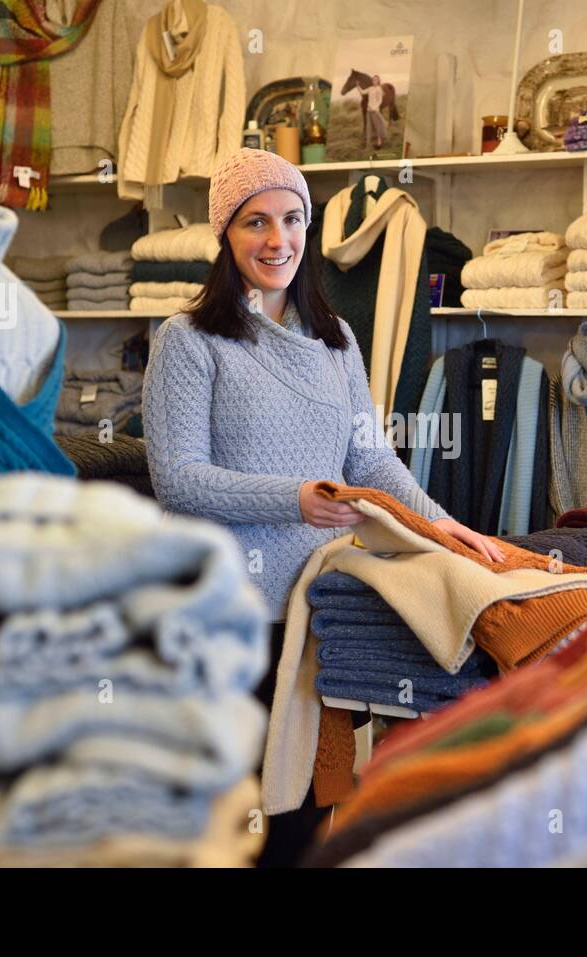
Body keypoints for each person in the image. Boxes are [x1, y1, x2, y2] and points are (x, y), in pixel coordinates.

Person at [142, 148, 501, 866]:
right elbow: (178, 479)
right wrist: (295, 499)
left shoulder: (337, 341)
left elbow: (369, 459)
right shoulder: (187, 341)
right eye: (256, 222)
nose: (278, 239)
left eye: (292, 219)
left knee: (309, 801)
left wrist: (442, 523)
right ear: (225, 233)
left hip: (318, 610)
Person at [366, 75, 389, 150]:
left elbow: (380, 100)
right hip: (369, 110)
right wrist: (357, 86)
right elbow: (363, 92)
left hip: (375, 110)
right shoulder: (370, 88)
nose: (374, 81)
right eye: (373, 80)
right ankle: (368, 143)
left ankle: (379, 143)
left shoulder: (379, 89)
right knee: (369, 126)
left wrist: (374, 107)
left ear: (378, 81)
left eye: (376, 80)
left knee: (378, 126)